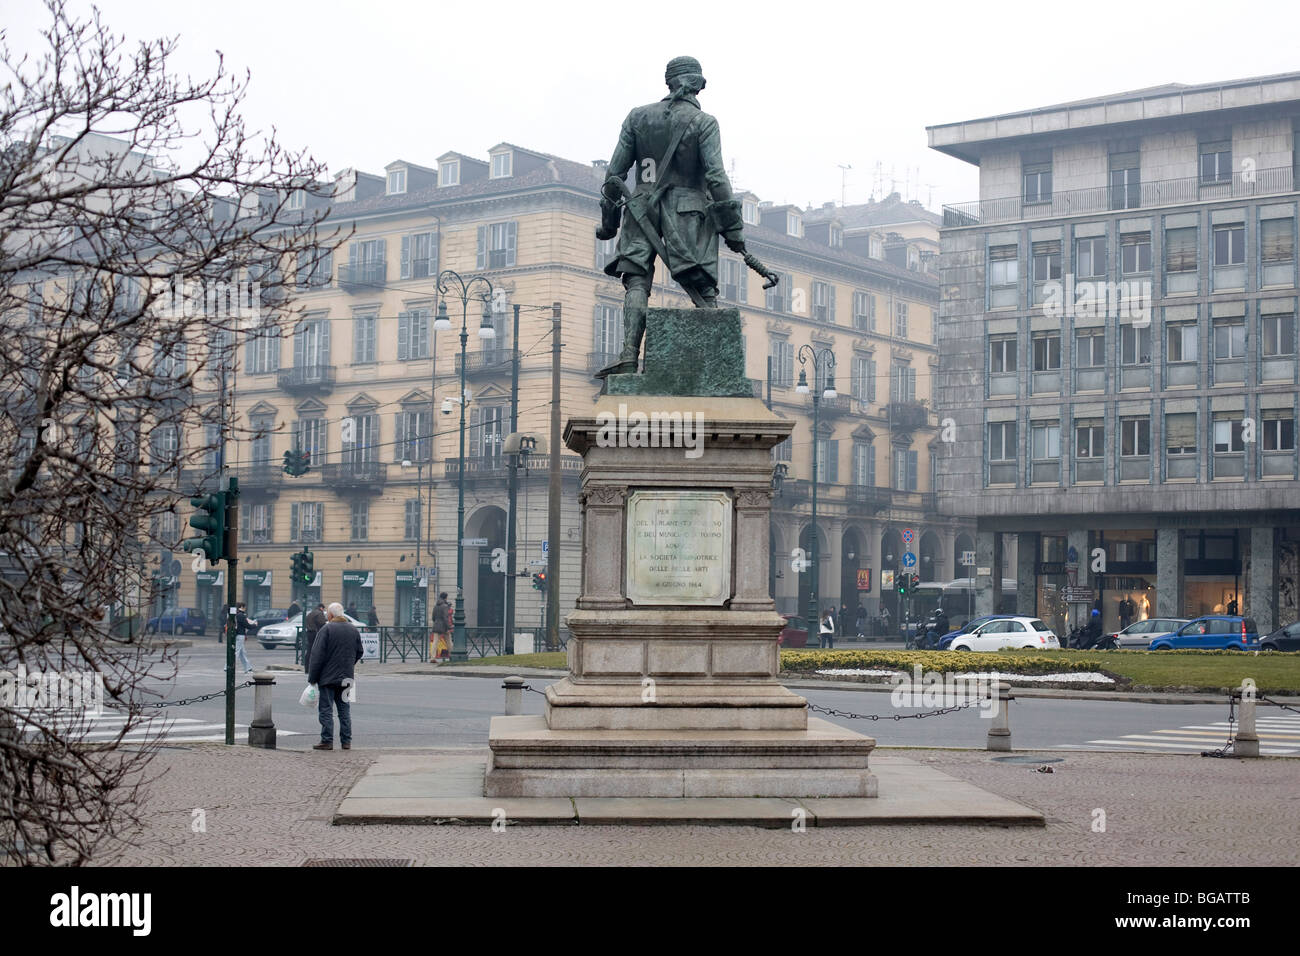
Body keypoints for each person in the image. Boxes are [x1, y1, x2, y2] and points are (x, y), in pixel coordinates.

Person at [594, 56, 773, 379]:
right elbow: (716, 177)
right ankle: (720, 366)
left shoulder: (638, 117)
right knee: (702, 288)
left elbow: (613, 177)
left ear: (669, 84)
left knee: (636, 280)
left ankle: (629, 355)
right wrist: (732, 229)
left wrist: (609, 224)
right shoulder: (704, 123)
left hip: (640, 207)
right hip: (689, 211)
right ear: (699, 85)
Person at [306, 602, 363, 751]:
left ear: (330, 615)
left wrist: (312, 677)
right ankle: (346, 741)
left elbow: (317, 656)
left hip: (328, 678)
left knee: (326, 709)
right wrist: (349, 664)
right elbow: (359, 651)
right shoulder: (353, 629)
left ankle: (327, 740)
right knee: (344, 709)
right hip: (347, 678)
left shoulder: (326, 629)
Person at [233, 602, 258, 675]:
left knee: (242, 653)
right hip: (240, 635)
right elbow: (247, 625)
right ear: (242, 607)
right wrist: (254, 625)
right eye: (244, 607)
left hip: (237, 634)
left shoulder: (236, 615)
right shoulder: (241, 615)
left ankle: (248, 668)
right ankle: (228, 666)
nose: (245, 608)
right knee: (237, 651)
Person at [303, 603, 327, 673]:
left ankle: (307, 668)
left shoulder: (311, 613)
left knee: (309, 650)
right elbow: (322, 623)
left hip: (309, 632)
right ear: (321, 608)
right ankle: (315, 668)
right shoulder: (319, 613)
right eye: (323, 609)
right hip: (315, 633)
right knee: (317, 650)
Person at [431, 592, 452, 661]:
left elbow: (433, 617)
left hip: (436, 625)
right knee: (448, 641)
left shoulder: (436, 606)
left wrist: (436, 621)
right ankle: (452, 655)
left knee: (435, 642)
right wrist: (449, 627)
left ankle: (433, 657)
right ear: (445, 597)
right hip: (444, 626)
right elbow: (445, 618)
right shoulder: (445, 606)